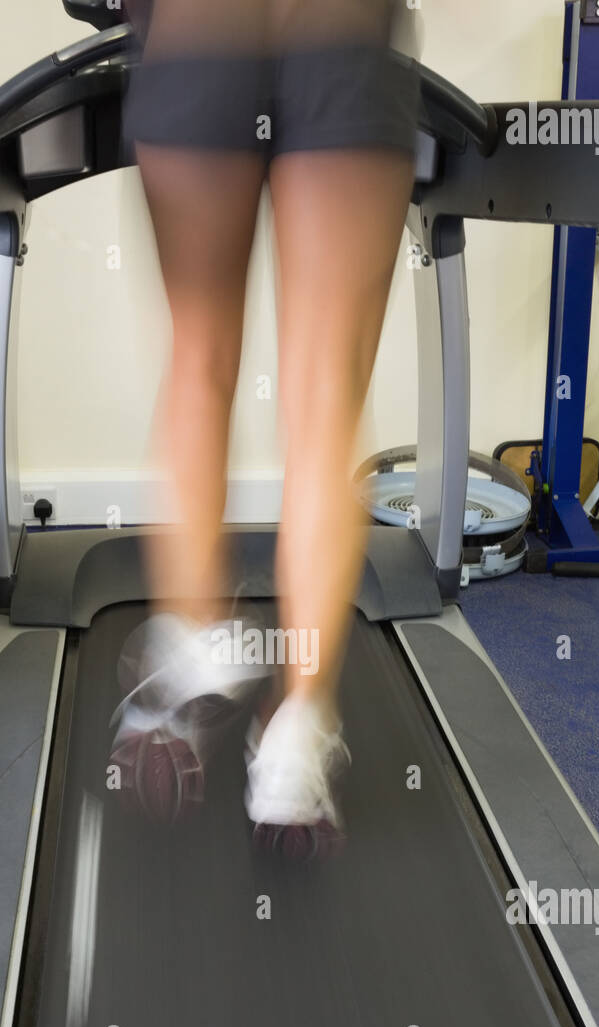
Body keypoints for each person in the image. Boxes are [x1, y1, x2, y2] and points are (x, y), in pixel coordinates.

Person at [110, 0, 419, 849]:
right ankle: (292, 744)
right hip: (343, 46)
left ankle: (196, 650)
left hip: (198, 42)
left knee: (200, 358)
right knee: (325, 407)